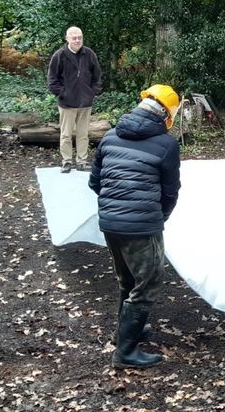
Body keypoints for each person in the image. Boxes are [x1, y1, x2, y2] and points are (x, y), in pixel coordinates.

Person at [89, 84, 182, 369]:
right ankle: (125, 353)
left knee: (127, 280)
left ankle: (124, 334)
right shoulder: (166, 144)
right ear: (167, 115)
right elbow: (170, 192)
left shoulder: (109, 136)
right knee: (148, 282)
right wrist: (157, 217)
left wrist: (114, 207)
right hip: (141, 226)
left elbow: (95, 182)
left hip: (109, 222)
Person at [47, 26, 102, 172]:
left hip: (85, 102)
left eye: (80, 37)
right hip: (67, 104)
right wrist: (63, 93)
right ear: (67, 39)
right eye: (74, 38)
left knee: (83, 134)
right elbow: (52, 80)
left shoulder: (89, 54)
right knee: (65, 134)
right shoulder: (59, 55)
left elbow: (97, 76)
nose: (77, 40)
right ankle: (66, 161)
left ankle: (82, 162)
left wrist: (93, 92)